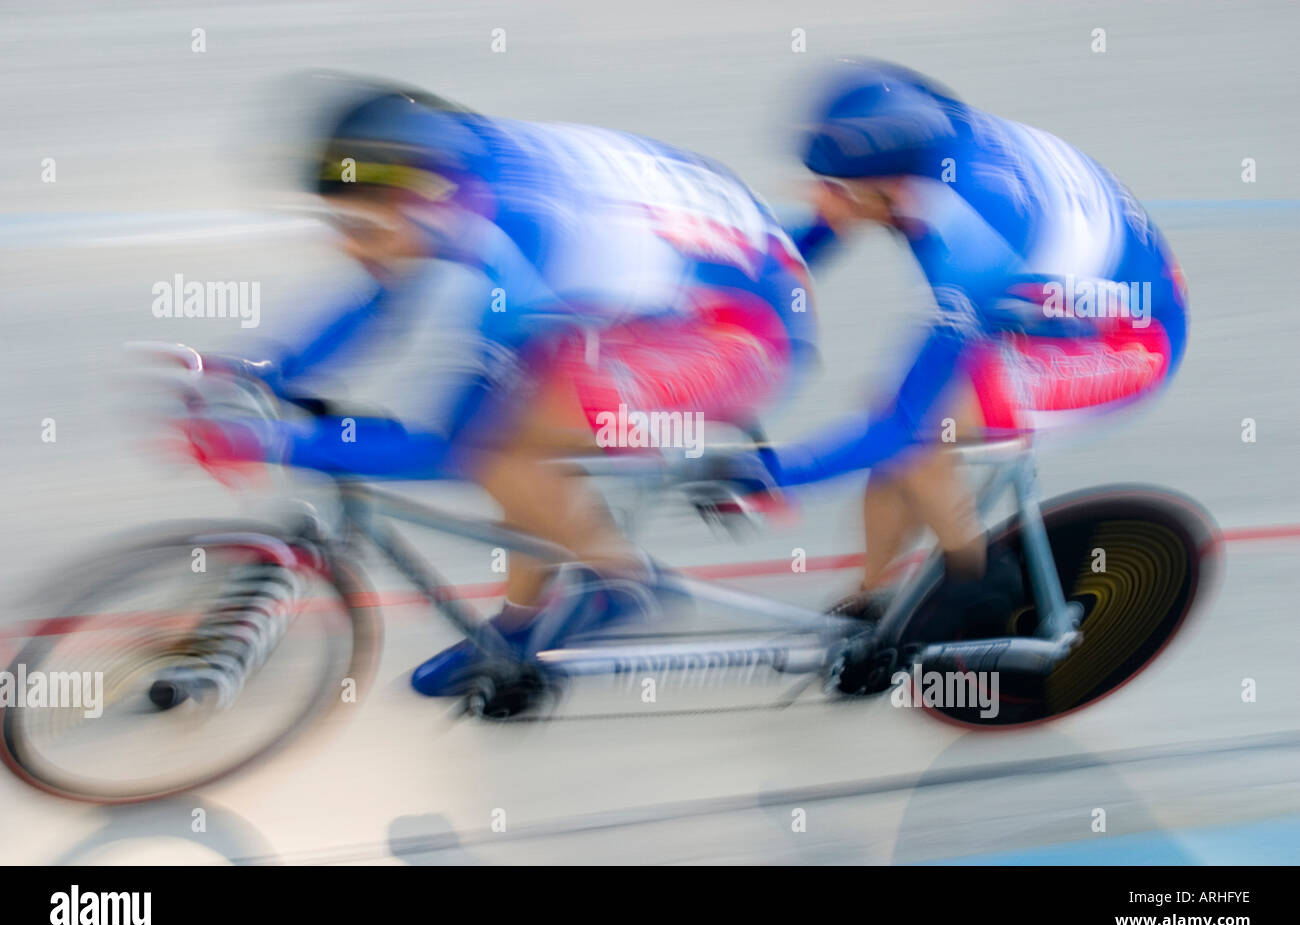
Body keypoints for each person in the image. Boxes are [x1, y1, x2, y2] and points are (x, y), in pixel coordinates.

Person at [192, 81, 817, 697]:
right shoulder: (445, 186)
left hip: (743, 332)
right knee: (519, 437)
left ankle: (618, 583)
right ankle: (523, 628)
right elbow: (376, 300)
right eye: (337, 220)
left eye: (359, 224)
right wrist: (255, 372)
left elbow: (454, 445)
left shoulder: (530, 247)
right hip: (680, 283)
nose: (344, 241)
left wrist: (274, 443)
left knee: (502, 440)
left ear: (421, 201)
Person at [766, 59, 1188, 620]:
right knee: (903, 430)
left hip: (1131, 343)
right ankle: (870, 605)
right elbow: (819, 238)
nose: (824, 199)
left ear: (892, 187)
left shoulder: (970, 253)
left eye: (839, 188)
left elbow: (903, 426)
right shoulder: (930, 140)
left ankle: (983, 581)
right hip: (1056, 292)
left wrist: (778, 474)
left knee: (919, 433)